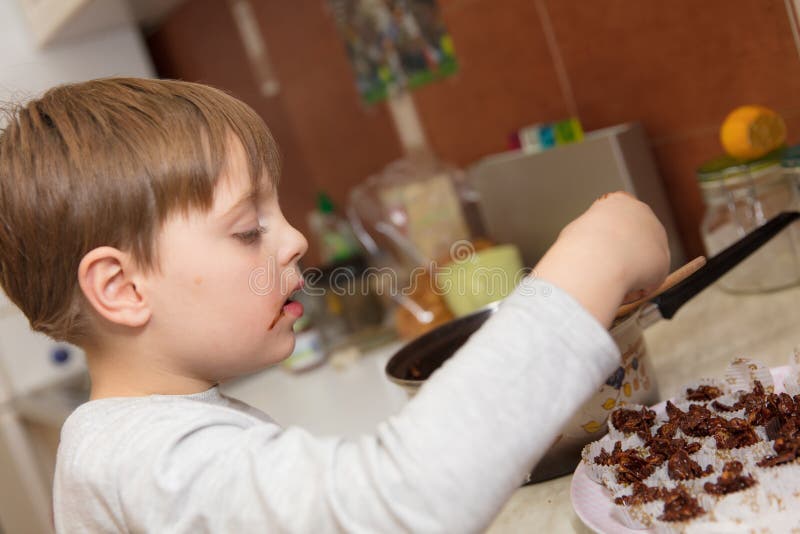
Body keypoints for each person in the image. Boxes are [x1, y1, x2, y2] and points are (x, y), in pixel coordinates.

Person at [0, 78, 669, 533]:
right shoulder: (150, 464)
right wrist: (595, 257)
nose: (293, 239)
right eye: (246, 230)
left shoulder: (151, 437)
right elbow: (390, 503)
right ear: (121, 289)